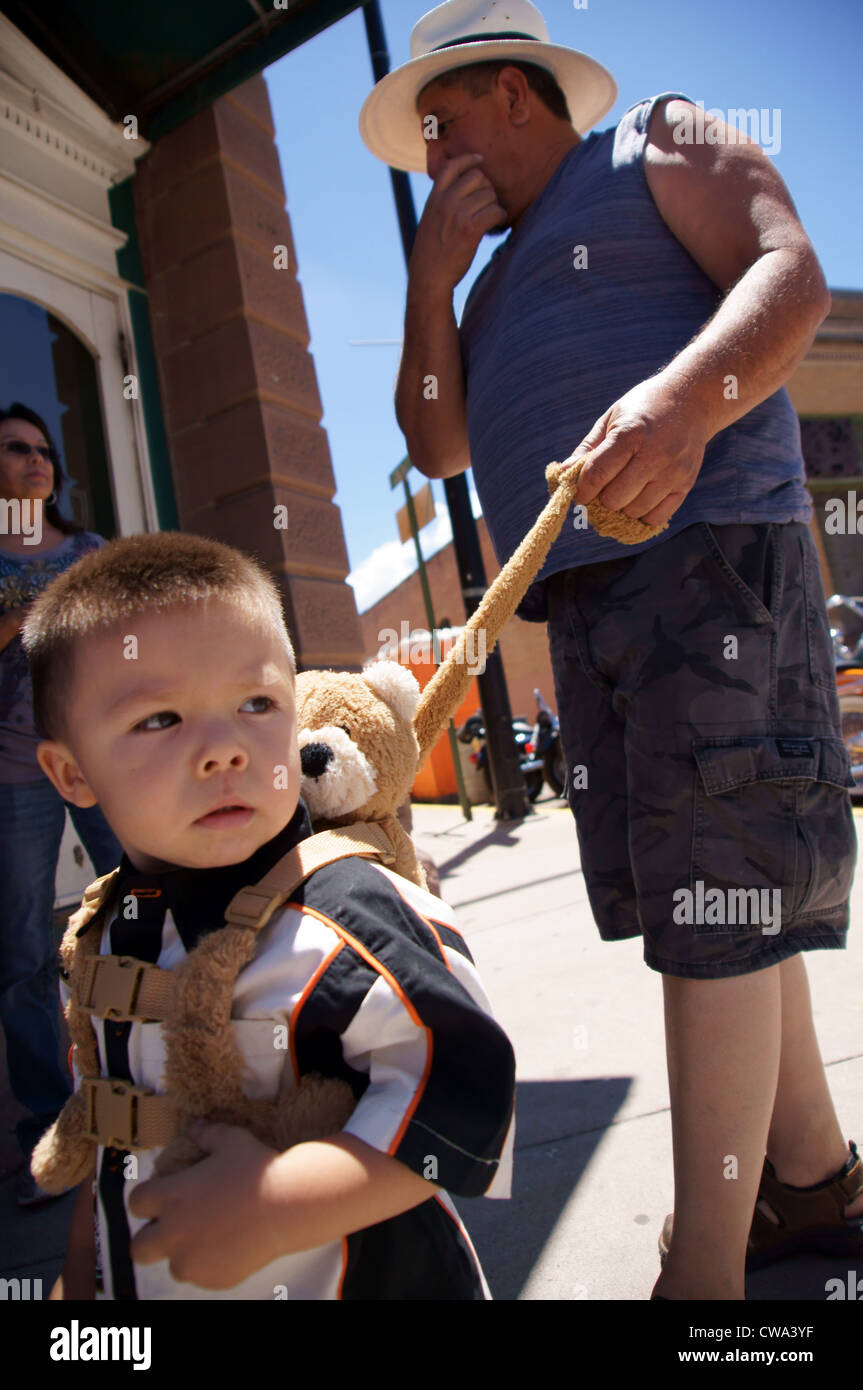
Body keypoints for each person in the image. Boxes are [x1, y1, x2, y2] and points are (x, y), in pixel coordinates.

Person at [360, 0, 862, 1299]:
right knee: (716, 893)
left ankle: (696, 1278)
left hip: (711, 553)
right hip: (584, 604)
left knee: (716, 895)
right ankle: (809, 1184)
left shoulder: (653, 135)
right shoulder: (478, 275)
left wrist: (678, 402)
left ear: (512, 94)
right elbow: (434, 445)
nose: (429, 148)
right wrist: (427, 281)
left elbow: (786, 270)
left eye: (441, 116)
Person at [23, 530, 515, 1298]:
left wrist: (278, 1210)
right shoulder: (104, 933)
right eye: (159, 719)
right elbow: (111, 1127)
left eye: (257, 704)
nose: (224, 750)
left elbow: (468, 1099)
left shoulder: (350, 912)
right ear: (71, 772)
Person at [0, 403, 122, 1206]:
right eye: (16, 449)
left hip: (103, 761)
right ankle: (54, 1127)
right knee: (21, 956)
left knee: (152, 908)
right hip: (11, 772)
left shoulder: (89, 551)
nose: (37, 461)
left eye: (44, 449)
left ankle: (165, 1086)